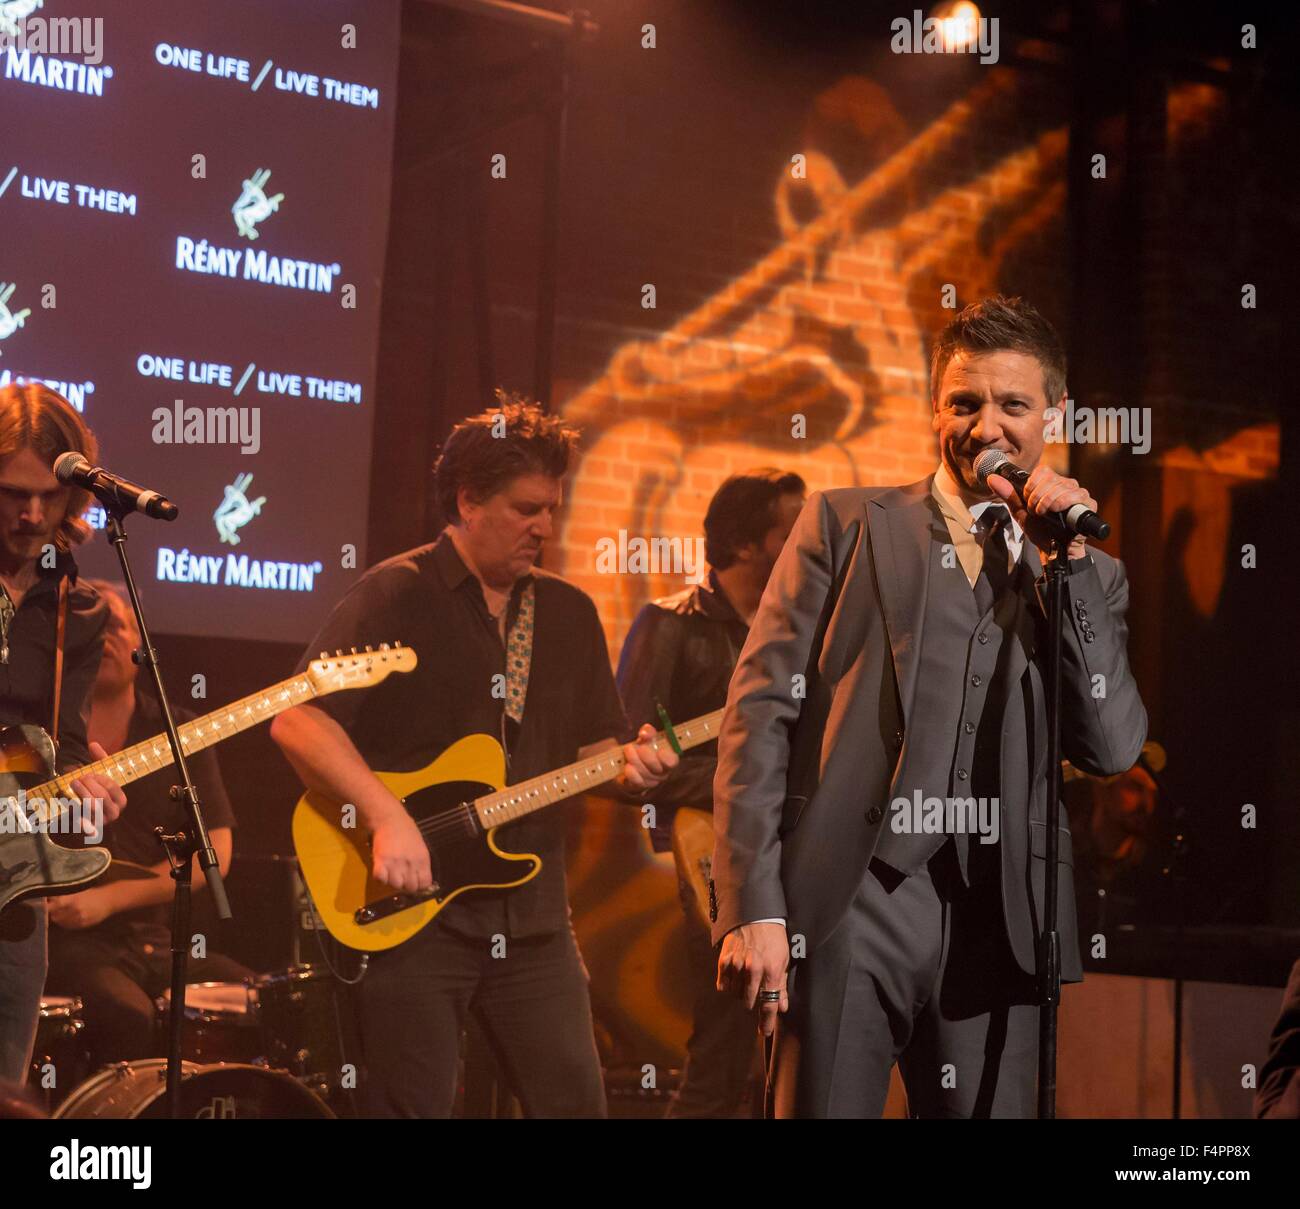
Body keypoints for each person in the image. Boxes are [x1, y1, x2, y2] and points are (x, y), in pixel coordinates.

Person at [712, 296, 1148, 1118]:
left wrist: (1072, 566)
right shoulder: (844, 527)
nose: (988, 425)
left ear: (1052, 416)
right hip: (851, 906)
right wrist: (752, 906)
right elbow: (758, 716)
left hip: (1005, 925)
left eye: (1013, 405)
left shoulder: (1085, 570)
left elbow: (1114, 744)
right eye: (965, 402)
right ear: (935, 412)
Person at [271, 396, 678, 1118]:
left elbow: (594, 750)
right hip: (416, 918)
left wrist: (632, 767)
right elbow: (300, 721)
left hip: (534, 919)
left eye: (551, 509)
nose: (544, 528)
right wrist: (386, 816)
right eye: (526, 509)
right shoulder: (395, 593)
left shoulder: (568, 613)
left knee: (577, 1105)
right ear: (467, 500)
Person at [616, 468, 805, 1118]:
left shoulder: (799, 628)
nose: (810, 536)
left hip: (791, 851)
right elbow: (626, 761)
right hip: (705, 857)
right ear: (749, 543)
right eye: (792, 525)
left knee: (794, 1053)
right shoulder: (670, 624)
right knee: (723, 1053)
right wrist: (743, 789)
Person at [44, 581, 246, 1068]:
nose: (105, 638)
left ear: (142, 644)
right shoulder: (39, 733)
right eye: (90, 628)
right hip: (64, 943)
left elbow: (213, 852)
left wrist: (109, 899)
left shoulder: (180, 734)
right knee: (126, 1015)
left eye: (116, 625)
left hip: (154, 942)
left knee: (250, 1000)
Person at [0, 384, 126, 1085]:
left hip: (14, 889)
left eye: (49, 495)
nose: (31, 513)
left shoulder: (76, 611)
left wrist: (86, 786)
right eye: (13, 492)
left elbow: (64, 739)